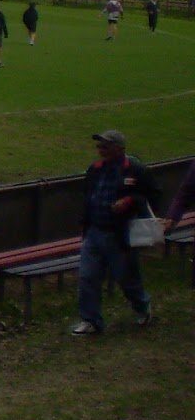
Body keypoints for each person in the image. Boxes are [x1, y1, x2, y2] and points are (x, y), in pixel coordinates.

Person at [72, 129, 160, 335]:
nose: (101, 150)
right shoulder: (94, 169)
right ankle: (90, 320)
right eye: (99, 146)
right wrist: (84, 222)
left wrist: (130, 201)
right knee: (87, 276)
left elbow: (153, 195)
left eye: (105, 146)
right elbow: (88, 197)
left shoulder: (135, 170)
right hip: (94, 231)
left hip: (120, 234)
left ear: (119, 148)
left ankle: (142, 306)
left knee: (126, 278)